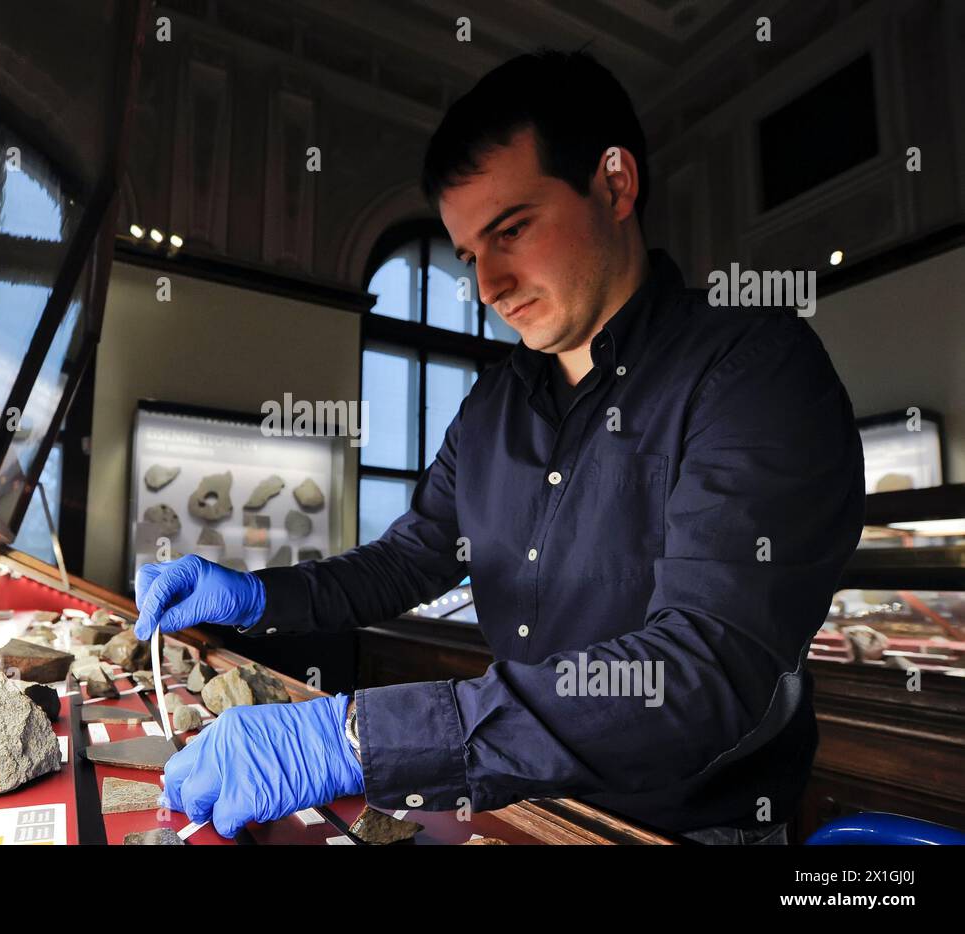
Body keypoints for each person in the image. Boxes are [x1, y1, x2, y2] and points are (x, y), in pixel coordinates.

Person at [135, 49, 865, 844]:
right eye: (471, 255)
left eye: (512, 229)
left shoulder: (753, 369)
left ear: (615, 184)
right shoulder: (493, 406)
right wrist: (255, 596)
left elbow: (704, 668)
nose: (488, 286)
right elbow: (409, 558)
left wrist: (350, 738)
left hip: (680, 829)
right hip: (514, 797)